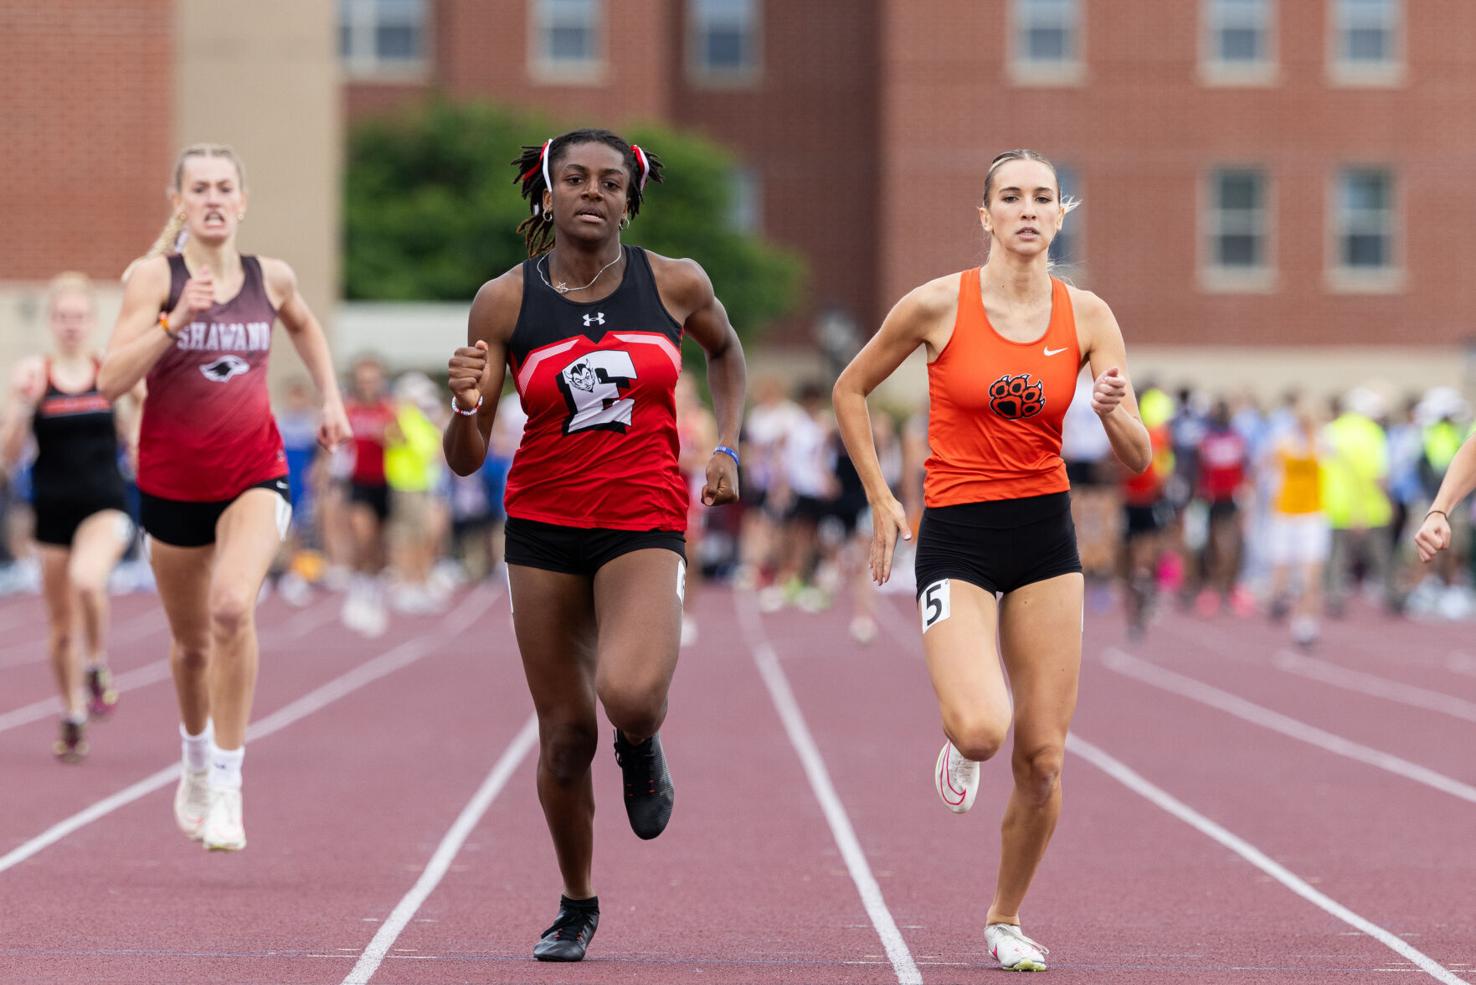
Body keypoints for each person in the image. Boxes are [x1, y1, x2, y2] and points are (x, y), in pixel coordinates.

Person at [832, 149, 1150, 973]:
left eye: (1043, 197)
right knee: (981, 728)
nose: (1028, 210)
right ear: (985, 215)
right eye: (1011, 197)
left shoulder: (1087, 316)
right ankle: (961, 745)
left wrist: (1113, 412)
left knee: (1042, 757)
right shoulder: (938, 303)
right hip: (960, 536)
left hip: (1046, 536)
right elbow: (850, 388)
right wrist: (878, 493)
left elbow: (1140, 455)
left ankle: (1005, 916)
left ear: (1060, 214)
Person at [442, 129, 746, 963]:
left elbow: (727, 353)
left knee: (631, 692)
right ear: (546, 189)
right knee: (565, 735)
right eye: (574, 178)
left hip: (643, 513)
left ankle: (643, 746)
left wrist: (725, 444)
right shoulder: (504, 301)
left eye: (611, 182)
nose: (592, 192)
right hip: (541, 525)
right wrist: (465, 406)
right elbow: (466, 459)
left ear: (630, 198)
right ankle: (577, 901)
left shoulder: (676, 282)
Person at [99, 143, 349, 851]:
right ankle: (196, 758)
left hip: (253, 471)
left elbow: (302, 320)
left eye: (224, 187)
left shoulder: (270, 277)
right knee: (189, 646)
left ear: (242, 202)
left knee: (232, 608)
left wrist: (329, 396)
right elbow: (111, 379)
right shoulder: (155, 277)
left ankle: (231, 781)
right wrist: (174, 321)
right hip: (172, 482)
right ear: (179, 202)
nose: (212, 197)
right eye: (198, 187)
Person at [0, 273, 138, 762]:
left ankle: (97, 661)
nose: (72, 324)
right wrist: (21, 406)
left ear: (92, 321)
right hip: (52, 511)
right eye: (63, 317)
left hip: (104, 503)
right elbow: (8, 457)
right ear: (51, 322)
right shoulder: (36, 375)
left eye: (80, 316)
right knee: (59, 629)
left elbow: (135, 439)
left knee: (87, 579)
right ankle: (73, 713)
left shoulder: (110, 373)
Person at [342, 356, 397, 635]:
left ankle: (374, 589)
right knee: (362, 535)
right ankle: (358, 587)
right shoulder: (348, 409)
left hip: (385, 482)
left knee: (378, 543)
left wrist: (387, 435)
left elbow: (402, 439)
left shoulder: (389, 409)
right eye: (363, 381)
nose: (368, 386)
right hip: (358, 482)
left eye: (373, 381)